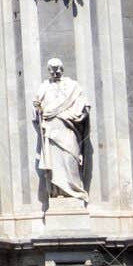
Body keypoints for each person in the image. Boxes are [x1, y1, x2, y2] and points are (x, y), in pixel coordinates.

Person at [33, 59, 90, 201]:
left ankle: (74, 191)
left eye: (58, 69)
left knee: (71, 158)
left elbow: (84, 103)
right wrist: (37, 109)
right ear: (48, 71)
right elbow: (36, 109)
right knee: (55, 163)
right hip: (52, 130)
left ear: (63, 69)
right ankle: (57, 192)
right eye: (52, 70)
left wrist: (81, 110)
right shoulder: (44, 87)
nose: (55, 72)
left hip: (69, 128)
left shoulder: (73, 86)